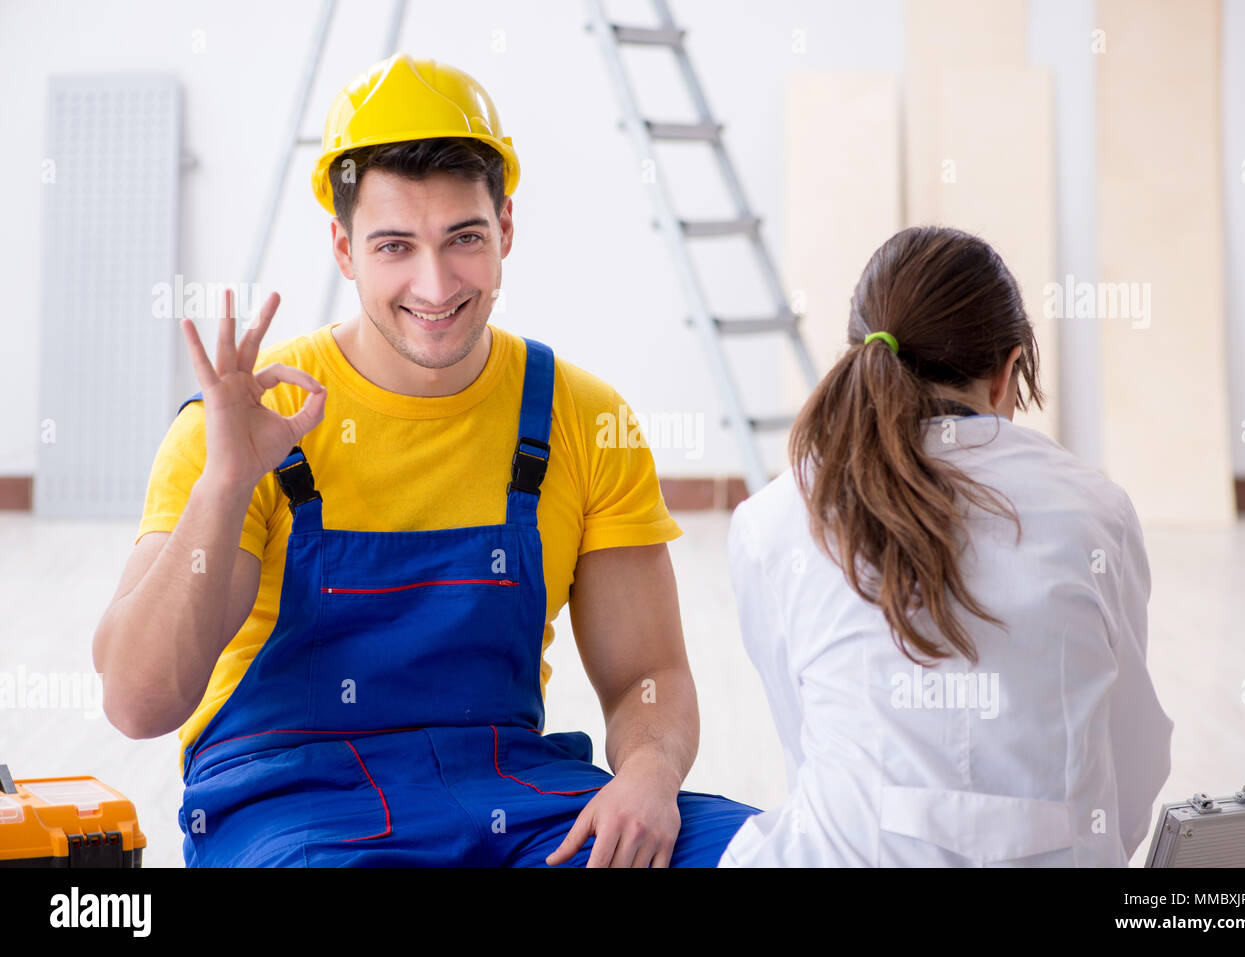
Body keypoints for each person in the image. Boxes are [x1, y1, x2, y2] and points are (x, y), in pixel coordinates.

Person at [92, 53, 759, 868]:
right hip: (296, 811)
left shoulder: (580, 419)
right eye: (395, 245)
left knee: (773, 855)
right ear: (343, 247)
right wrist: (228, 479)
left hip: (518, 801)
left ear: (505, 228)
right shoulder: (243, 422)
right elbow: (138, 700)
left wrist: (650, 774)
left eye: (464, 238)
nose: (435, 283)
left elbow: (648, 673)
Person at [719, 225, 1174, 867]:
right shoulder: (1096, 512)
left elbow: (808, 746)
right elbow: (1133, 760)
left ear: (861, 358)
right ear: (1007, 372)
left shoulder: (771, 522)